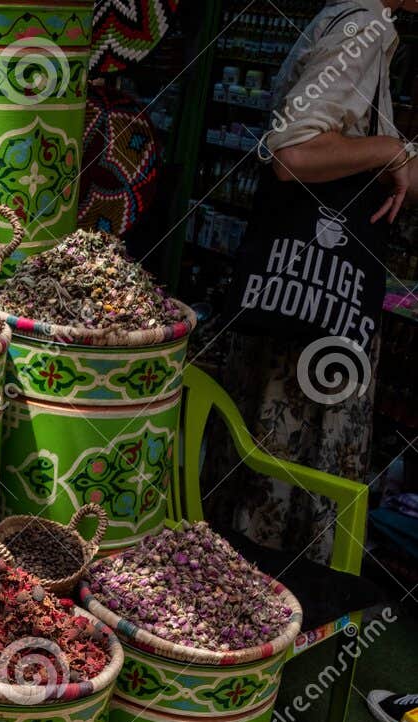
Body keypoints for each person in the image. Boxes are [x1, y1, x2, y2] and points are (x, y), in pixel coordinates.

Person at [211, 1, 418, 567]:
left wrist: (397, 155)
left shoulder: (354, 20)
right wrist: (391, 149)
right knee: (287, 475)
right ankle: (279, 589)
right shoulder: (363, 26)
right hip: (316, 312)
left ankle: (246, 581)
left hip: (297, 299)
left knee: (259, 468)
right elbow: (292, 152)